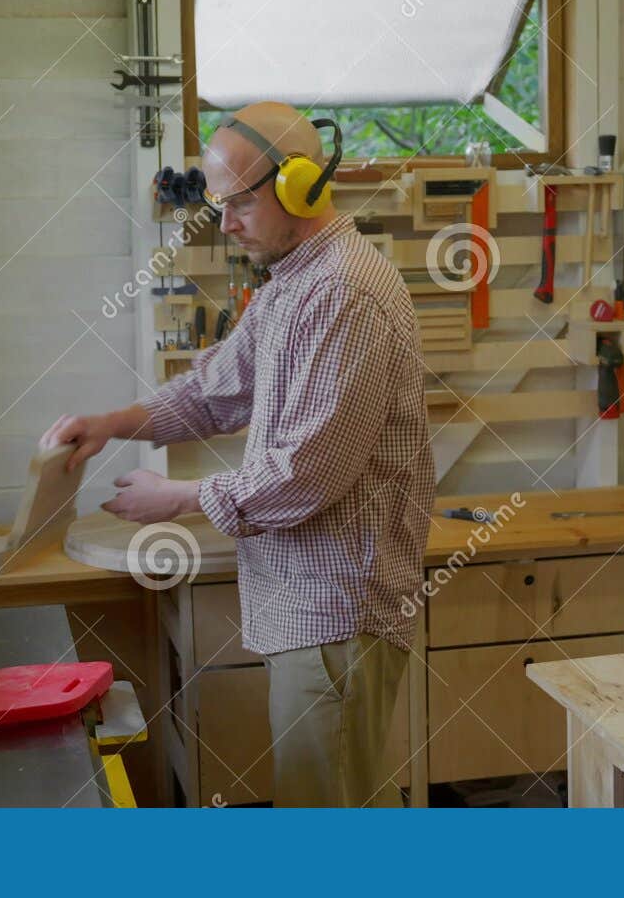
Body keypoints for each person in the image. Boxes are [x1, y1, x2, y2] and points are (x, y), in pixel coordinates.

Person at [44, 101, 434, 807]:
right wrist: (113, 422)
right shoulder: (294, 286)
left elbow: (306, 475)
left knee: (326, 824)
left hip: (339, 607)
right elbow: (217, 392)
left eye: (237, 204)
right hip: (308, 605)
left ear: (301, 187)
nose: (222, 225)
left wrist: (182, 500)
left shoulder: (342, 293)